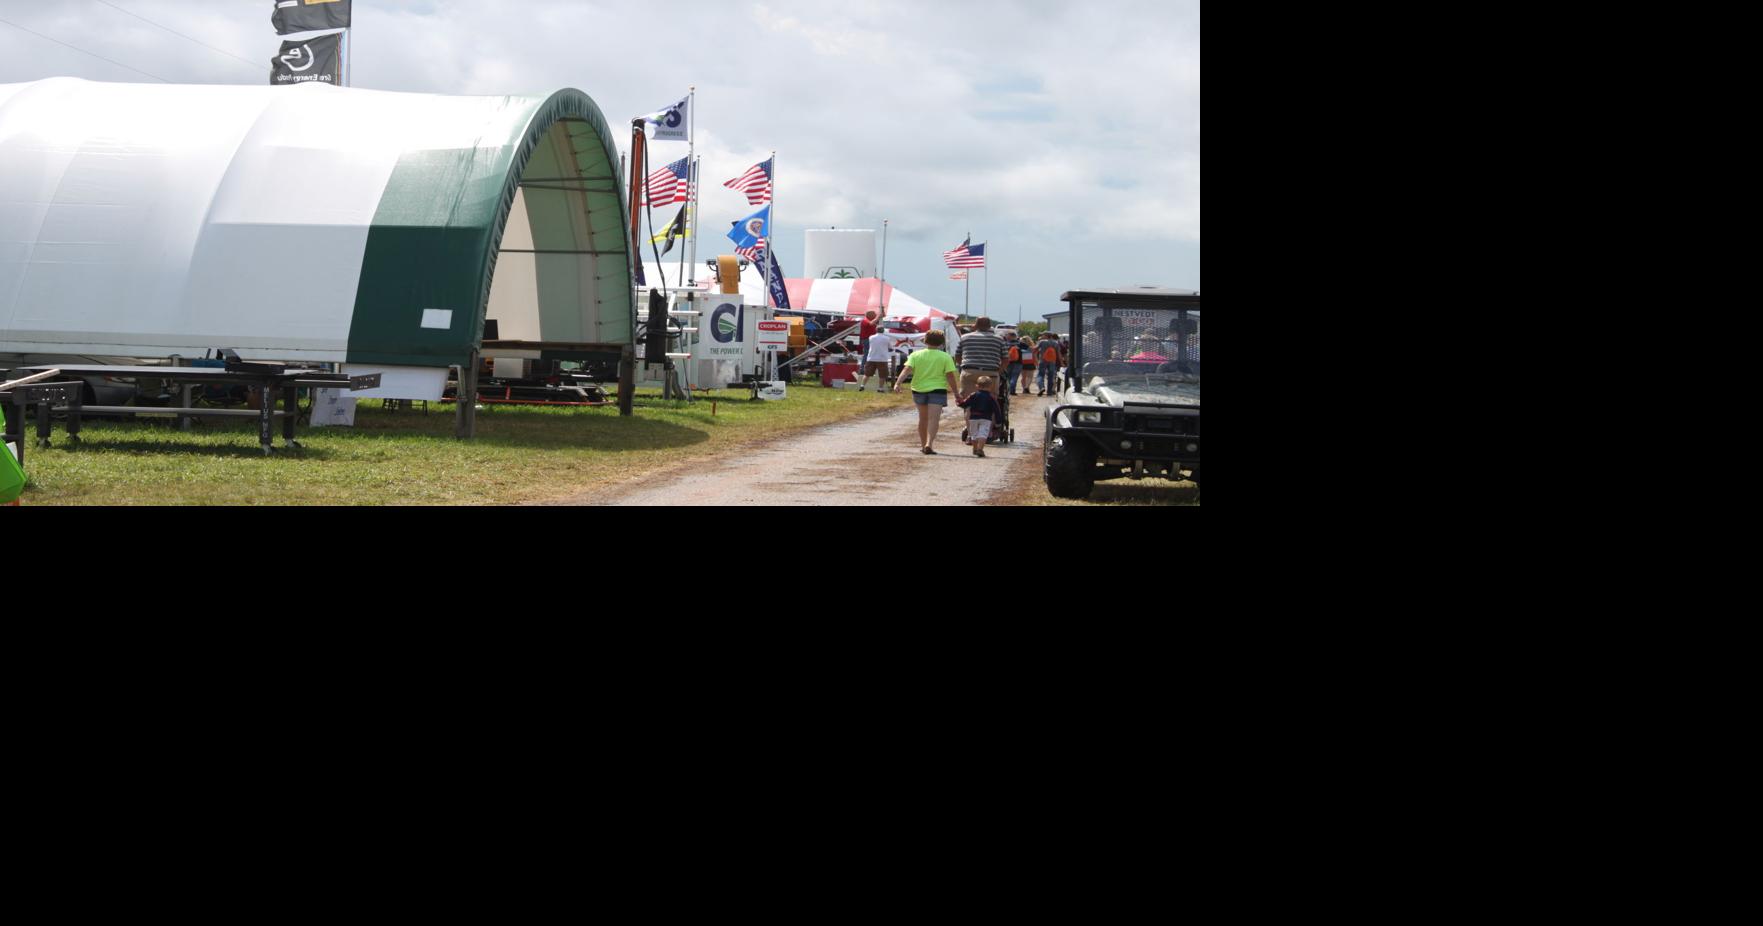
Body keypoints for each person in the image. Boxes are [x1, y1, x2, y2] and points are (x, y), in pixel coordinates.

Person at [895, 330, 960, 455]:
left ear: (925, 341)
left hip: (918, 389)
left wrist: (898, 383)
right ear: (941, 343)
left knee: (923, 418)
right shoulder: (945, 357)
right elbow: (950, 376)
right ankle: (929, 444)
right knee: (933, 418)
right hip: (938, 389)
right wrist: (956, 392)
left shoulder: (916, 355)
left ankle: (923, 443)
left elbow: (907, 369)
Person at [952, 316, 1006, 399]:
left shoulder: (965, 337)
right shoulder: (999, 339)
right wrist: (999, 371)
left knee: (968, 399)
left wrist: (963, 367)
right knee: (991, 399)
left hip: (969, 371)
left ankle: (969, 411)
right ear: (989, 326)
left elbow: (957, 355)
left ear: (975, 325)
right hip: (991, 372)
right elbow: (1006, 358)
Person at [957, 376, 1000, 457]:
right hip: (986, 418)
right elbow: (996, 409)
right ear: (990, 387)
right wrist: (998, 421)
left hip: (973, 418)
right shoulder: (991, 397)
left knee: (974, 434)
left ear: (977, 385)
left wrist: (959, 402)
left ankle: (975, 449)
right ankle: (980, 449)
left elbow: (965, 403)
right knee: (983, 434)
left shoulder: (973, 395)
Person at [859, 323, 896, 392]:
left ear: (876, 330)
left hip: (871, 358)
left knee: (867, 374)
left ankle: (862, 386)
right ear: (883, 331)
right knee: (882, 375)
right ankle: (880, 388)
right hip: (882, 359)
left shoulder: (871, 337)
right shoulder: (887, 338)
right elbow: (890, 348)